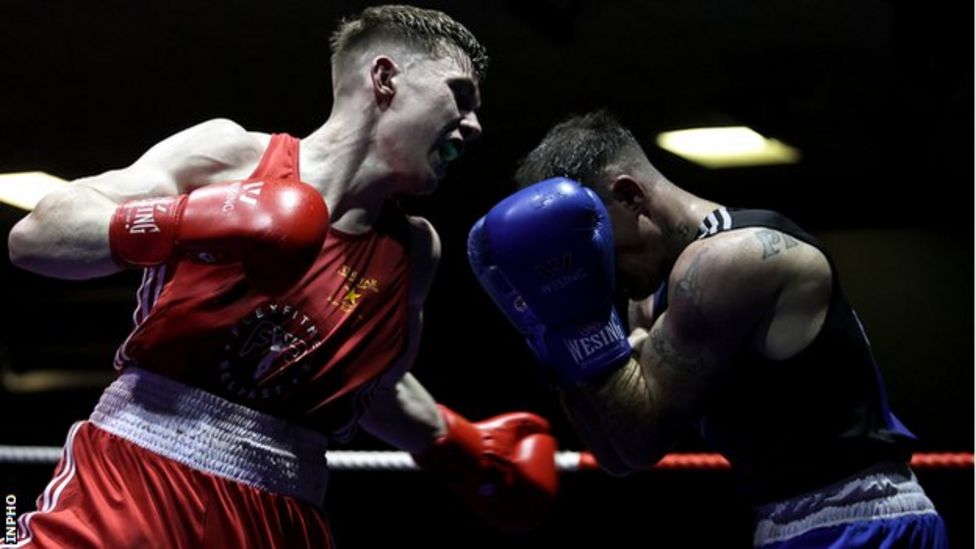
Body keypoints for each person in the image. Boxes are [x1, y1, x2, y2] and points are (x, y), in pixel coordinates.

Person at [5, 5, 558, 547]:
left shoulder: (415, 250)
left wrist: (461, 447)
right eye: (459, 96)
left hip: (282, 516)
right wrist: (188, 220)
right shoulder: (233, 158)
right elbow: (37, 237)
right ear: (385, 79)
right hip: (134, 484)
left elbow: (375, 389)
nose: (475, 124)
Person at [468, 110, 949, 547]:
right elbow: (621, 456)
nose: (601, 271)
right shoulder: (646, 296)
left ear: (630, 196)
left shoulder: (734, 258)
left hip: (864, 520)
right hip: (782, 521)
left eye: (592, 244)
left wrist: (572, 326)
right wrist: (548, 330)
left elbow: (639, 435)